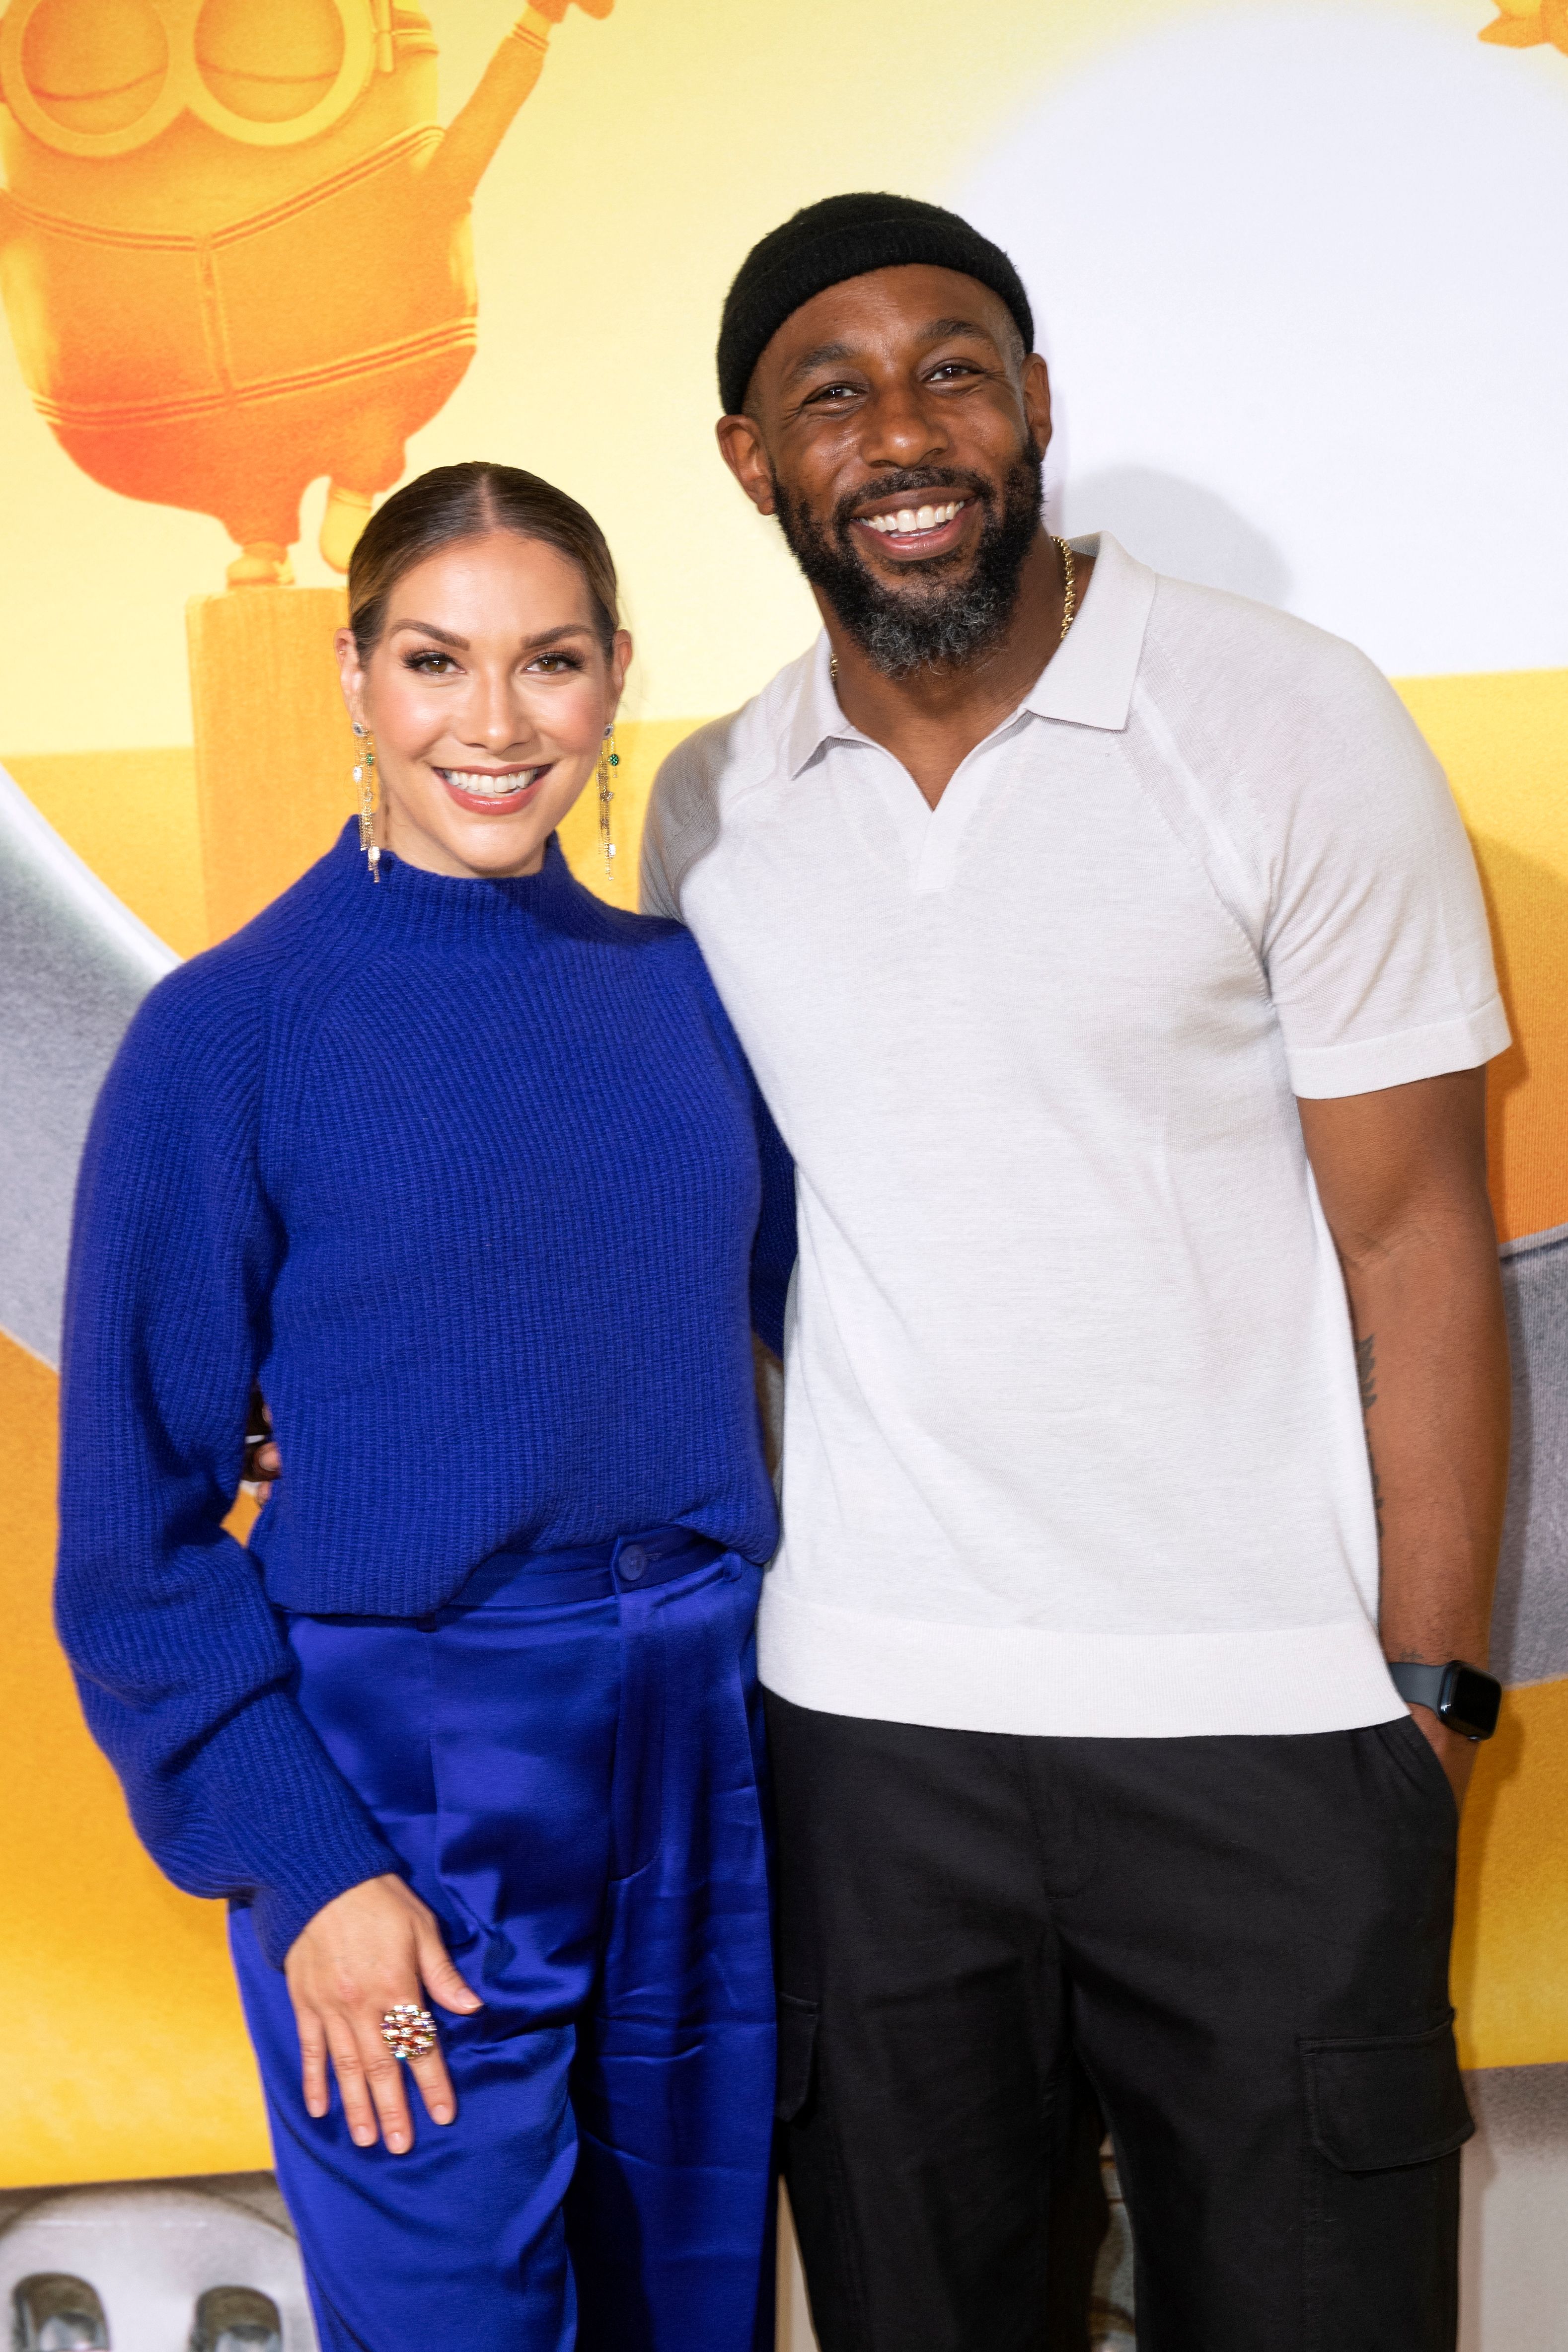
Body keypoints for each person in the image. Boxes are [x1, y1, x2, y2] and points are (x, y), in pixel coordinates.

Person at [638, 193, 1511, 2351]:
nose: (901, 430)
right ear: (751, 459)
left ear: (1033, 404)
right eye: (829, 393)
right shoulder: (709, 806)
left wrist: (1431, 1705)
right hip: (867, 1745)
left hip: (1268, 1735)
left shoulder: (1289, 719)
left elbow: (1418, 1239)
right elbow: (666, 1237)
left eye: (953, 369)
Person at [55, 462, 793, 2352]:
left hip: (707, 1755)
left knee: (687, 2312)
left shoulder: (693, 999)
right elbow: (133, 1549)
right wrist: (312, 1872)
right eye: (435, 661)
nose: (496, 722)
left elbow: (838, 1330)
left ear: (616, 675)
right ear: (353, 675)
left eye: (550, 661)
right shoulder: (230, 1031)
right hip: (415, 1786)